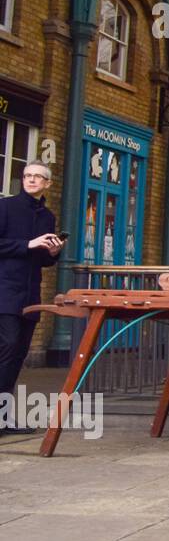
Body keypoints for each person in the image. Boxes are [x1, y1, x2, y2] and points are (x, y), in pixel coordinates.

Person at [0, 163, 65, 433]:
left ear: (47, 183)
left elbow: (41, 261)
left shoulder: (47, 217)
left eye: (37, 177)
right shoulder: (5, 207)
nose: (31, 180)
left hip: (30, 293)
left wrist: (52, 253)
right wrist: (27, 244)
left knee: (17, 356)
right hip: (4, 289)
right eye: (27, 176)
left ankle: (2, 419)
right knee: (7, 349)